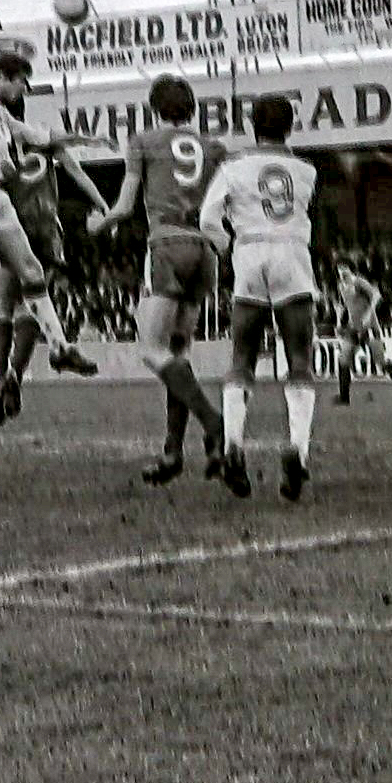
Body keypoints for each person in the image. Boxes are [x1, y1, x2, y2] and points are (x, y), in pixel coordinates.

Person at [87, 74, 229, 486]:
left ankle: (213, 422)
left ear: (154, 109)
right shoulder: (214, 148)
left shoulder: (143, 142)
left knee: (151, 350)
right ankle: (172, 453)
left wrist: (99, 224)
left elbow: (125, 206)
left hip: (167, 245)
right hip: (204, 250)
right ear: (192, 109)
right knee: (177, 354)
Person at [0, 48, 97, 422]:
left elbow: (33, 133)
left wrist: (80, 138)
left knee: (31, 271)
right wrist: (1, 158)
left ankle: (60, 349)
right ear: (0, 77)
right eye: (19, 81)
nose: (22, 89)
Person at [198, 93, 319, 501]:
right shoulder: (306, 170)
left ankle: (233, 445)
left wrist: (225, 245)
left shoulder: (232, 168)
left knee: (242, 358)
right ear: (290, 127)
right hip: (292, 254)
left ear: (253, 126)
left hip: (249, 253)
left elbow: (207, 218)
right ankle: (297, 451)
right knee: (299, 358)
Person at [0, 81, 109, 422]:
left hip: (8, 231)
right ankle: (15, 376)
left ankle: (0, 381)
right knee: (32, 306)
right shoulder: (44, 139)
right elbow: (76, 173)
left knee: (1, 309)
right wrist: (103, 206)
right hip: (45, 233)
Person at [331, 262, 392, 407]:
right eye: (339, 270)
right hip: (353, 328)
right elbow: (344, 306)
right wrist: (340, 321)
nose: (342, 273)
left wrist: (367, 315)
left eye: (344, 270)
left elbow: (376, 296)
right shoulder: (342, 286)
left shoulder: (359, 283)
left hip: (369, 327)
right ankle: (344, 397)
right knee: (343, 359)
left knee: (381, 361)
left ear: (350, 270)